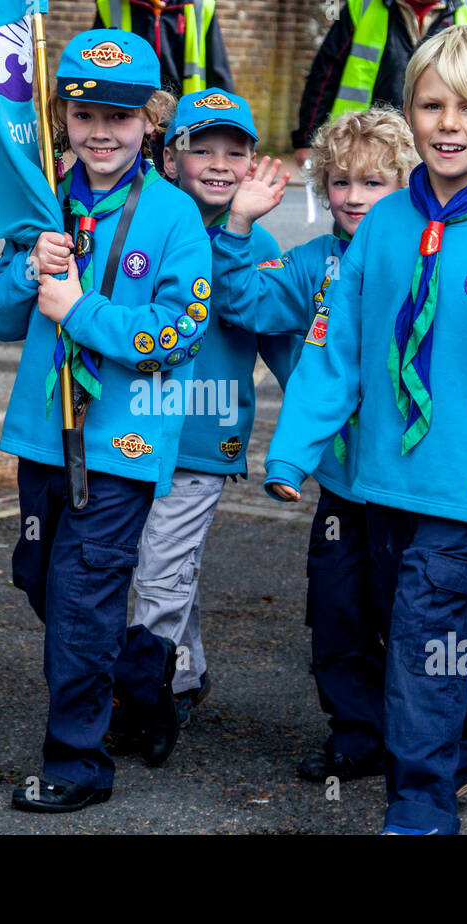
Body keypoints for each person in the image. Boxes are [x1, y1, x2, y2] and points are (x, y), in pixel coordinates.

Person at [264, 25, 467, 834]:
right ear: (409, 112)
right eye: (433, 104)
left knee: (421, 630)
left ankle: (421, 805)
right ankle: (465, 740)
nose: (450, 124)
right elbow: (339, 349)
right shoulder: (379, 226)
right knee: (407, 625)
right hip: (381, 472)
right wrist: (293, 450)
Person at [0, 30, 212, 814]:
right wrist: (25, 266)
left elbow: (178, 334)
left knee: (81, 598)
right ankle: (146, 673)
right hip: (43, 436)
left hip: (123, 441)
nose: (101, 131)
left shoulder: (177, 217)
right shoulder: (44, 198)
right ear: (62, 116)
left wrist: (84, 310)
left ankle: (77, 762)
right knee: (42, 580)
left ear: (152, 120)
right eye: (83, 114)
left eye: (121, 114)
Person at [213, 107, 423, 784]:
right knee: (336, 608)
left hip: (414, 478)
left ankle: (426, 731)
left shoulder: (428, 251)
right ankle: (356, 731)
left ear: (407, 183)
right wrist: (240, 225)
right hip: (339, 478)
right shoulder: (313, 263)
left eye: (374, 182)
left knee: (414, 609)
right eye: (341, 183)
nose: (355, 197)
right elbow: (244, 300)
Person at [112, 88, 288, 763]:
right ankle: (185, 672)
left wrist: (315, 428)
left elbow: (278, 333)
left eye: (235, 150)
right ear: (170, 153)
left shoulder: (261, 239)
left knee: (158, 574)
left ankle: (140, 700)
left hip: (203, 441)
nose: (219, 163)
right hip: (131, 430)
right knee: (145, 565)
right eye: (202, 148)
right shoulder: (149, 220)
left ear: (252, 162)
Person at [291, 0, 467, 163]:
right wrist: (307, 139)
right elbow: (325, 73)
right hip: (361, 141)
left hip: (439, 146)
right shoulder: (363, 1)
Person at [92, 0, 234, 98]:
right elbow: (94, 73)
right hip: (128, 114)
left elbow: (219, 79)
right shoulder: (110, 5)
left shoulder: (202, 5)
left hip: (186, 118)